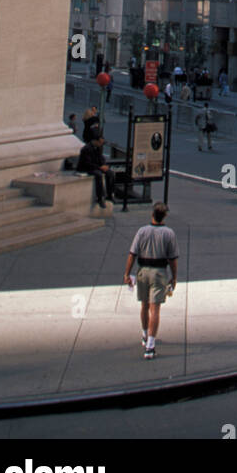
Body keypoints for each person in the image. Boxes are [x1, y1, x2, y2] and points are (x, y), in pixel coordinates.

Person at [123, 201, 179, 360]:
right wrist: (174, 277)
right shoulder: (169, 234)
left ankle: (144, 334)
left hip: (142, 271)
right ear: (165, 216)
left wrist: (127, 273)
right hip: (159, 273)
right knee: (155, 310)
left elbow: (132, 254)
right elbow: (172, 259)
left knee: (144, 306)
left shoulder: (142, 231)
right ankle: (150, 346)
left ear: (152, 214)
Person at [76, 134, 114, 208]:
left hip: (96, 166)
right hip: (86, 168)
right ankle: (100, 197)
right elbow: (87, 163)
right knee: (98, 175)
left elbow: (101, 158)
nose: (101, 144)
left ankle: (110, 194)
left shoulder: (98, 148)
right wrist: (100, 168)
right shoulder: (86, 149)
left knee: (110, 173)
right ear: (95, 141)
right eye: (100, 142)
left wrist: (104, 165)